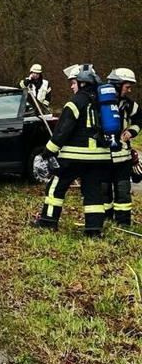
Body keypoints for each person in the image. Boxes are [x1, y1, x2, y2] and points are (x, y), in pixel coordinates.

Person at [34, 64, 110, 237]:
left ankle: (47, 222)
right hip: (98, 158)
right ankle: (93, 230)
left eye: (74, 82)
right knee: (93, 193)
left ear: (82, 83)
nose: (71, 86)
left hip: (73, 157)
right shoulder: (102, 103)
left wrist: (47, 152)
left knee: (56, 188)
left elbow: (62, 131)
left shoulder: (75, 102)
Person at [101, 68, 141, 227]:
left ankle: (123, 223)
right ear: (117, 85)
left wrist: (132, 131)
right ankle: (106, 220)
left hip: (123, 157)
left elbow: (140, 119)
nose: (129, 89)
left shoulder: (129, 104)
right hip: (103, 156)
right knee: (103, 192)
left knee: (123, 192)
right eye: (127, 86)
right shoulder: (99, 102)